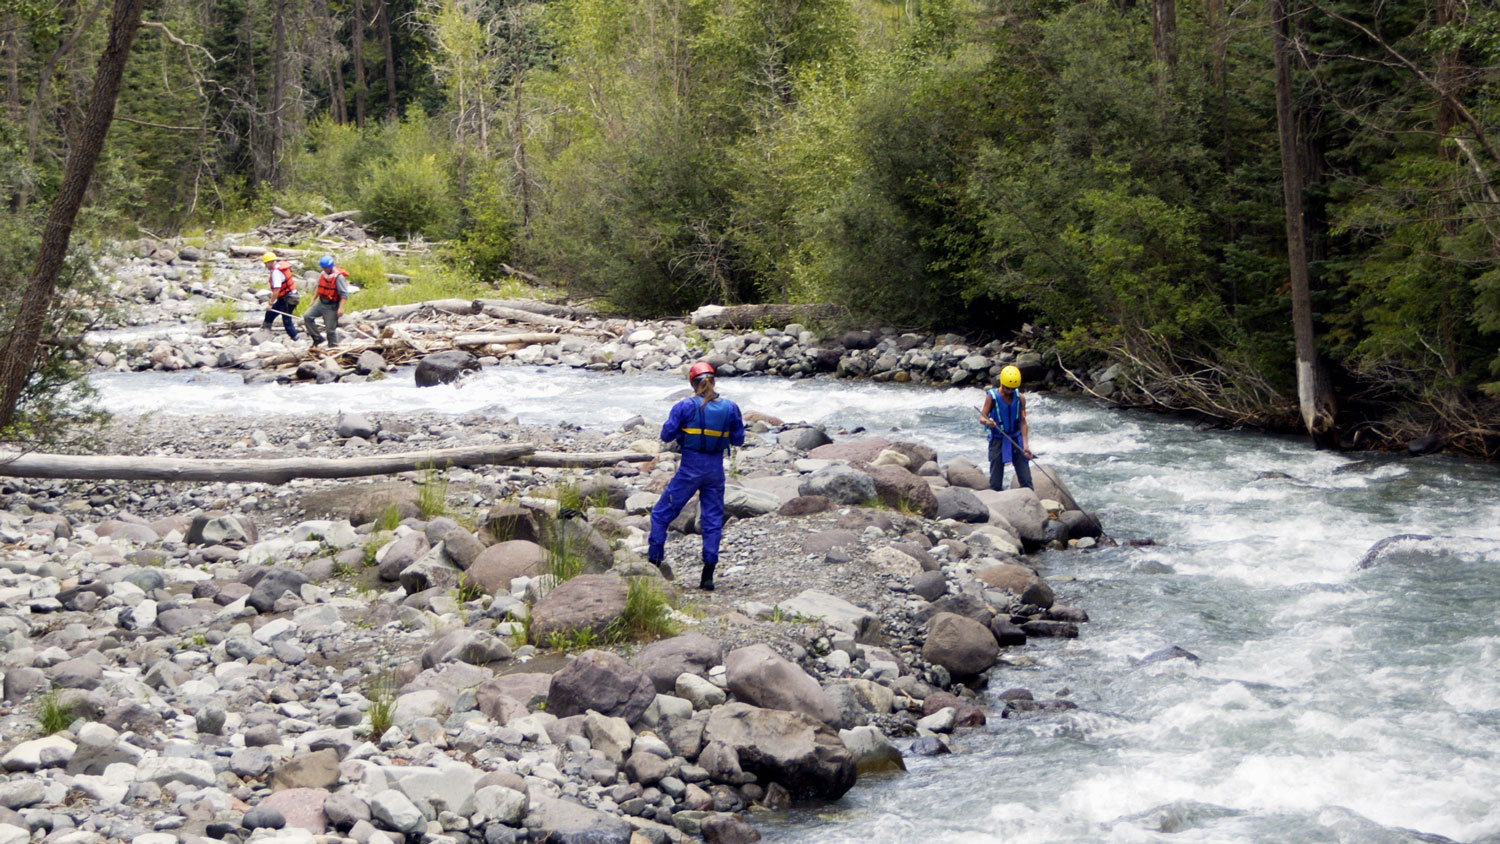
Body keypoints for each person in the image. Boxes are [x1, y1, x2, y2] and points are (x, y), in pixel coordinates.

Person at [647, 361, 745, 591]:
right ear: (714, 381)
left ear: (692, 383)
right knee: (712, 522)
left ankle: (653, 563)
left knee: (661, 515)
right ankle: (708, 575)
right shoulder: (730, 408)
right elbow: (738, 439)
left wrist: (684, 430)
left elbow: (666, 434)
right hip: (715, 471)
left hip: (689, 469)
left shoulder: (684, 407)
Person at [980, 364, 1033, 490]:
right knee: (995, 481)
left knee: (1026, 479)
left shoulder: (1020, 398)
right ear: (1002, 384)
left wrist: (1025, 446)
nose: (1009, 391)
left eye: (1012, 389)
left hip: (1016, 439)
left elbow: (1023, 422)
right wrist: (988, 422)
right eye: (1007, 388)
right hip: (998, 439)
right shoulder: (991, 397)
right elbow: (982, 418)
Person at [304, 254, 349, 347]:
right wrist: (313, 300)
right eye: (323, 267)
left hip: (332, 306)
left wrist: (341, 308)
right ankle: (317, 339)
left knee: (330, 330)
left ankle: (333, 347)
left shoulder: (338, 277)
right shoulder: (323, 274)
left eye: (326, 268)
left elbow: (344, 294)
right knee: (307, 316)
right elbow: (319, 287)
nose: (324, 269)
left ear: (330, 266)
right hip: (321, 302)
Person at [260, 251, 300, 341]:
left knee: (287, 321)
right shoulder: (279, 266)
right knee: (270, 314)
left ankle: (297, 340)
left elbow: (277, 290)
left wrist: (270, 303)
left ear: (270, 262)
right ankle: (264, 333)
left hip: (289, 298)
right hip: (286, 297)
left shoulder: (276, 272)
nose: (266, 266)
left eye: (266, 264)